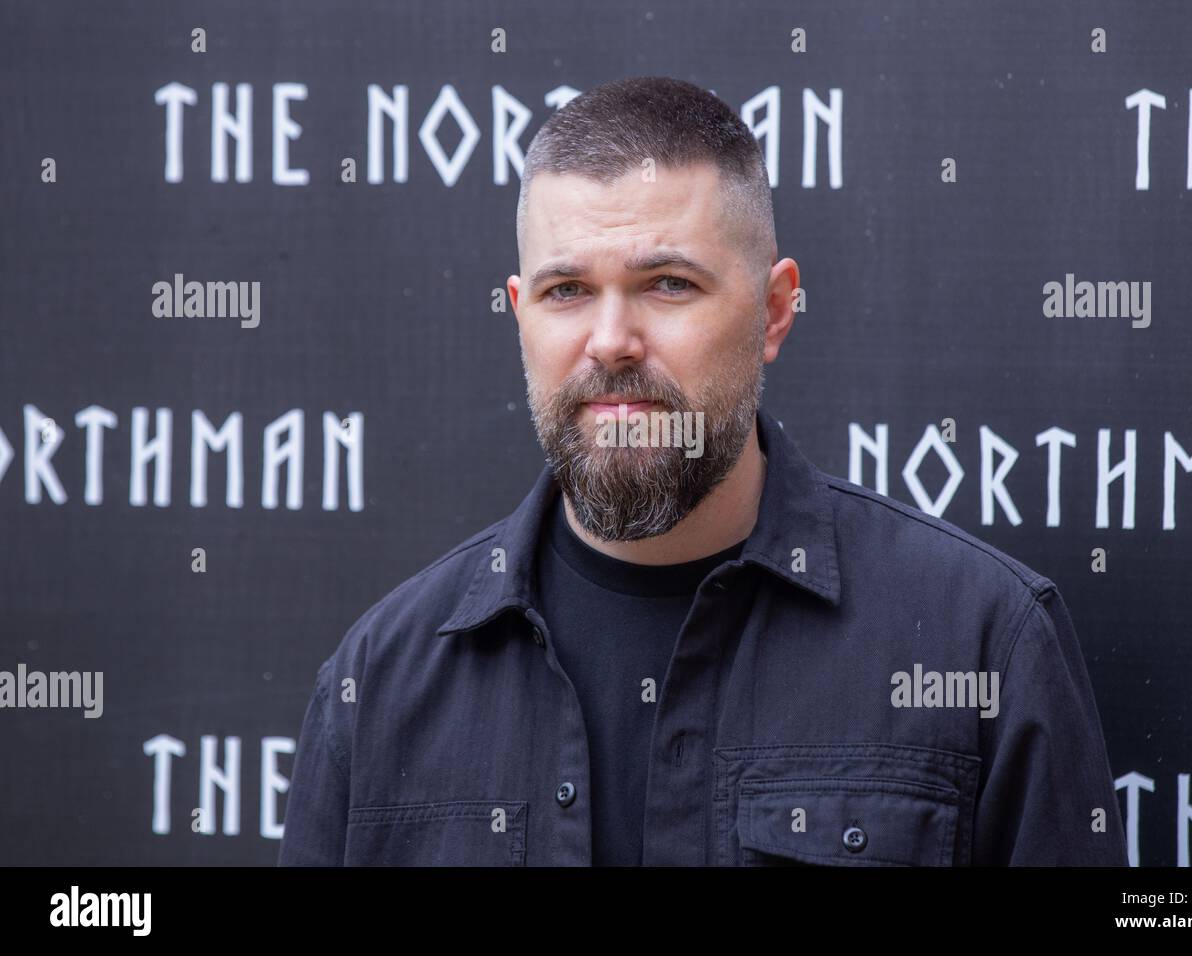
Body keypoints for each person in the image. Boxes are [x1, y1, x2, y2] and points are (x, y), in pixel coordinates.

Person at [279, 75, 1127, 867]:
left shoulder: (984, 641)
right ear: (519, 314)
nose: (610, 340)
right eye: (566, 290)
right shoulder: (378, 685)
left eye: (669, 284)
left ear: (774, 310)